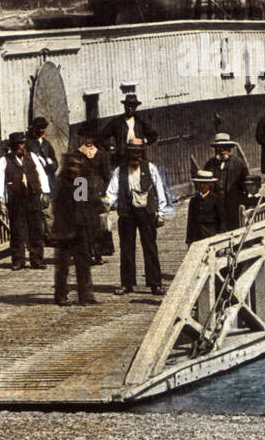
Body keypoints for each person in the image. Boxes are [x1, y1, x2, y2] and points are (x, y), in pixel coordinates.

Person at [105, 137, 174, 296]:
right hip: (127, 212)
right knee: (126, 248)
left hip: (146, 212)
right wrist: (105, 207)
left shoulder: (150, 168)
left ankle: (155, 283)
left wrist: (161, 213)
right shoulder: (119, 170)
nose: (135, 156)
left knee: (150, 247)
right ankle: (127, 283)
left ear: (141, 154)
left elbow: (159, 190)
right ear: (127, 153)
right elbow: (111, 192)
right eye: (132, 153)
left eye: (137, 153)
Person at [49, 153, 102, 306]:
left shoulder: (81, 182)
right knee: (63, 265)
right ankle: (61, 295)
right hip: (65, 229)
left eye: (77, 166)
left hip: (80, 229)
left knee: (83, 262)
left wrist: (90, 226)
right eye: (71, 165)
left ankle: (85, 295)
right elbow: (60, 209)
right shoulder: (62, 183)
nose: (74, 169)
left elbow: (83, 205)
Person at [0, 131, 50, 269]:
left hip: (32, 196)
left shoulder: (32, 156)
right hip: (16, 199)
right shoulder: (4, 160)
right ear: (13, 146)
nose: (20, 147)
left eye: (22, 143)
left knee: (36, 229)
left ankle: (37, 260)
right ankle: (18, 261)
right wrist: (1, 199)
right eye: (17, 145)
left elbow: (42, 174)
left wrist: (45, 191)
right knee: (17, 230)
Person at [75, 128, 112, 264]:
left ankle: (99, 253)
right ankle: (87, 253)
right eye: (85, 137)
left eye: (90, 138)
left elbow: (106, 174)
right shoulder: (78, 153)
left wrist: (106, 193)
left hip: (98, 189)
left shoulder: (101, 154)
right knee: (85, 223)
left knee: (99, 223)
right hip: (82, 188)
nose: (88, 140)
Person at [204, 132, 250, 229]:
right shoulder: (210, 164)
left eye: (225, 148)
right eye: (219, 148)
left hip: (233, 202)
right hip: (216, 203)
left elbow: (245, 182)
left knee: (233, 226)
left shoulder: (238, 163)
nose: (222, 150)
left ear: (229, 148)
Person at [103, 92, 158, 167]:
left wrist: (144, 141)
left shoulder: (140, 121)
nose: (130, 109)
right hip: (122, 157)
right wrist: (110, 147)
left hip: (139, 157)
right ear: (124, 106)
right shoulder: (117, 122)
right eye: (128, 106)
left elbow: (153, 135)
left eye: (133, 107)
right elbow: (101, 136)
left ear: (136, 108)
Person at [186, 169, 224, 243]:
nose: (202, 186)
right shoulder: (194, 200)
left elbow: (222, 220)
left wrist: (220, 235)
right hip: (196, 236)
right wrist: (189, 239)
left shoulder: (216, 199)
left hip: (210, 235)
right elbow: (190, 221)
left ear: (210, 184)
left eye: (205, 183)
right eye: (200, 183)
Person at [28, 116, 59, 183]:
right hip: (36, 178)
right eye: (39, 128)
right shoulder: (29, 144)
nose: (42, 130)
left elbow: (55, 161)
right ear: (34, 129)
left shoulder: (47, 144)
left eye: (43, 127)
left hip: (49, 177)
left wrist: (51, 163)